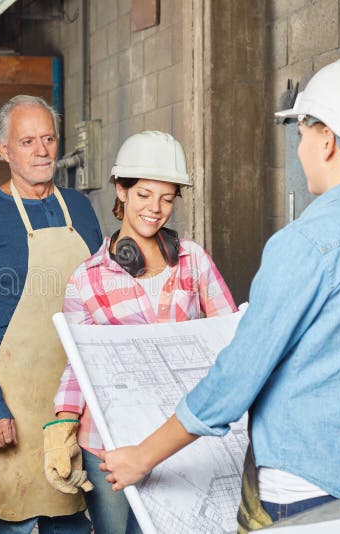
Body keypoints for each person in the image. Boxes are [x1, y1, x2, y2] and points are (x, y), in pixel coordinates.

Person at [100, 56, 340, 530]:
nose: (299, 145)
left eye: (302, 131)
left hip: (303, 497)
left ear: (327, 140)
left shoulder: (305, 243)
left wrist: (142, 456)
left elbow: (235, 380)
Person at [45, 131, 238, 534]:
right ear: (122, 190)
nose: (156, 209)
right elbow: (77, 362)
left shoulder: (193, 262)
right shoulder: (87, 279)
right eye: (145, 195)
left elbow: (232, 340)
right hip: (108, 440)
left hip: (181, 436)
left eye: (167, 199)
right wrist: (63, 424)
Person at [0, 95, 103, 533]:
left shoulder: (82, 210)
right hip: (13, 399)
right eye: (27, 141)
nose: (41, 151)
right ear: (3, 150)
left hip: (76, 398)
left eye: (49, 138)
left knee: (72, 518)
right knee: (13, 519)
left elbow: (102, 297)